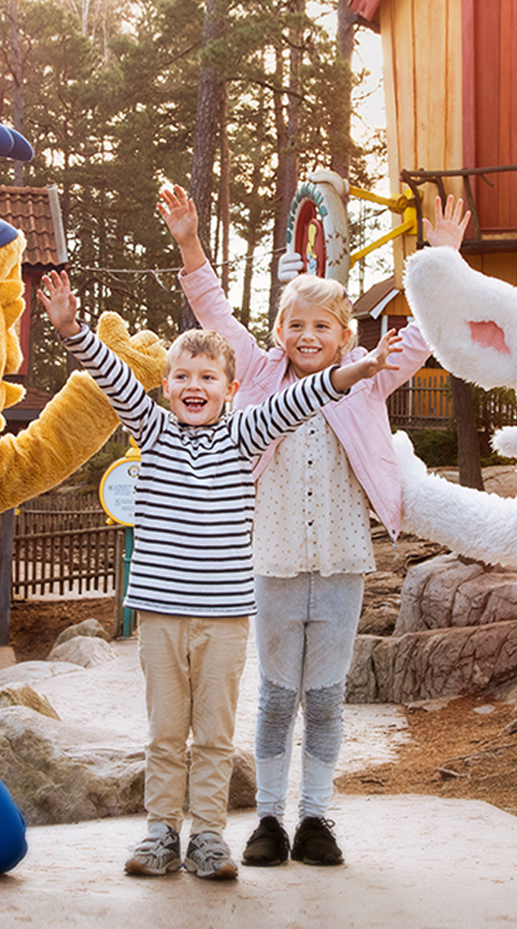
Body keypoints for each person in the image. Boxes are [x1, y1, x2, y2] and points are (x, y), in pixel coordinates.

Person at [38, 270, 405, 880]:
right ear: (164, 386)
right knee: (164, 732)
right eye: (182, 377)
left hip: (226, 619)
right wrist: (72, 327)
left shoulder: (243, 437)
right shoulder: (151, 433)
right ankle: (160, 833)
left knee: (212, 734)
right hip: (160, 618)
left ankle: (207, 836)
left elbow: (302, 398)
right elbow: (111, 376)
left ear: (232, 388)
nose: (193, 386)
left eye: (207, 378)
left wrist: (355, 372)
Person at [159, 184, 467, 867]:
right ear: (278, 333)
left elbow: (420, 337)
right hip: (269, 560)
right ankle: (269, 818)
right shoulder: (258, 377)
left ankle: (317, 819)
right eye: (296, 325)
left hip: (341, 563)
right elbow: (212, 307)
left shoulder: (368, 379)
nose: (308, 337)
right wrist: (189, 242)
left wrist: (440, 260)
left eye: (323, 328)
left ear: (345, 337)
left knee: (325, 697)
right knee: (274, 695)